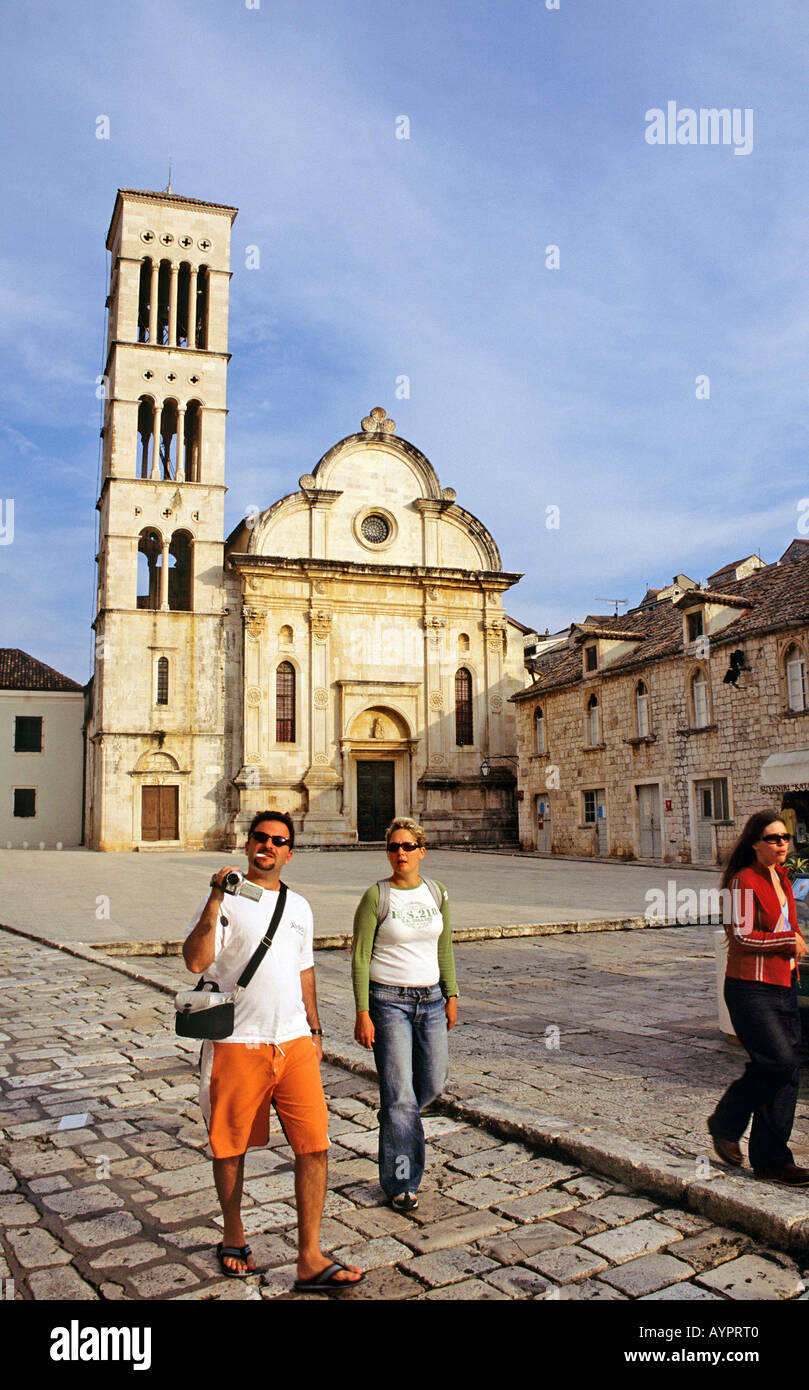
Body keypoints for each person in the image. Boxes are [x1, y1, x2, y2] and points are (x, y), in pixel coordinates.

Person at [183, 810, 363, 1290]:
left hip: (295, 1042)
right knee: (231, 1146)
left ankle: (309, 1257)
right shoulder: (222, 902)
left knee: (316, 1146)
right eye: (259, 838)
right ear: (247, 845)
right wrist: (216, 895)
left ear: (289, 851)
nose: (267, 846)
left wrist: (317, 1029)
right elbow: (195, 960)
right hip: (238, 1042)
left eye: (277, 840)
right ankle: (233, 1233)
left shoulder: (300, 907)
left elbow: (305, 970)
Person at [352, 817, 458, 1211]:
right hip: (387, 1002)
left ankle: (397, 1119)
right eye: (394, 846)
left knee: (431, 1085)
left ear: (421, 851)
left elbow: (444, 946)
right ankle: (401, 1182)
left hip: (430, 1000)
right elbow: (360, 957)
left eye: (408, 846)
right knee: (399, 1096)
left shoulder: (437, 892)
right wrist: (362, 1011)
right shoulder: (375, 896)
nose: (401, 852)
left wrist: (451, 993)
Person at [708, 811, 809, 1185]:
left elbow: (791, 927)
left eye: (785, 837)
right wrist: (788, 943)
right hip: (749, 988)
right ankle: (726, 1120)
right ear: (754, 843)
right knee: (779, 1063)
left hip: (783, 985)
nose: (783, 843)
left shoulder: (782, 877)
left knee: (786, 1071)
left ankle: (771, 1161)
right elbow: (742, 938)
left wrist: (796, 946)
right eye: (773, 838)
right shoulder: (741, 882)